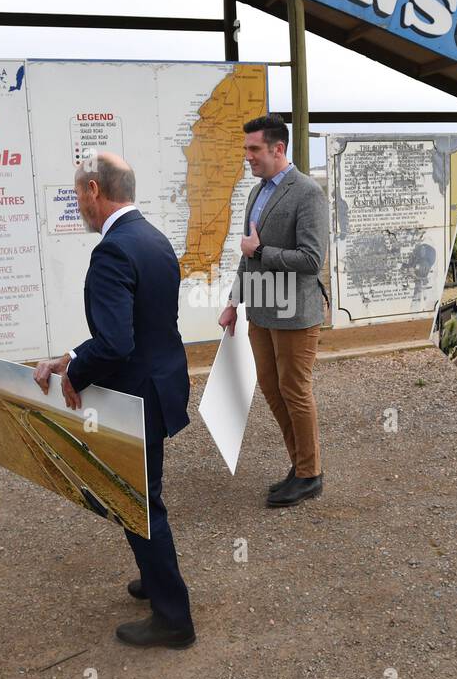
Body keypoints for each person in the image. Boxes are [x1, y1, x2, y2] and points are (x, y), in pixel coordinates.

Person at [34, 152, 195, 649]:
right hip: (161, 385)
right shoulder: (153, 238)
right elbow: (141, 327)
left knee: (138, 502)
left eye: (77, 193)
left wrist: (76, 373)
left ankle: (173, 619)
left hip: (135, 395)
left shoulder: (112, 252)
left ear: (94, 190)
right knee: (144, 494)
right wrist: (70, 357)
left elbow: (115, 344)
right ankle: (153, 578)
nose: (78, 204)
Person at [219, 114, 329, 508]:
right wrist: (233, 302)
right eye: (246, 149)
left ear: (278, 149)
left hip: (296, 314)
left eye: (254, 149)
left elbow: (312, 260)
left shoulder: (308, 193)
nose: (247, 156)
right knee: (271, 388)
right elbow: (246, 255)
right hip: (260, 313)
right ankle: (300, 465)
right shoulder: (257, 192)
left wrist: (262, 251)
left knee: (295, 391)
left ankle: (310, 475)